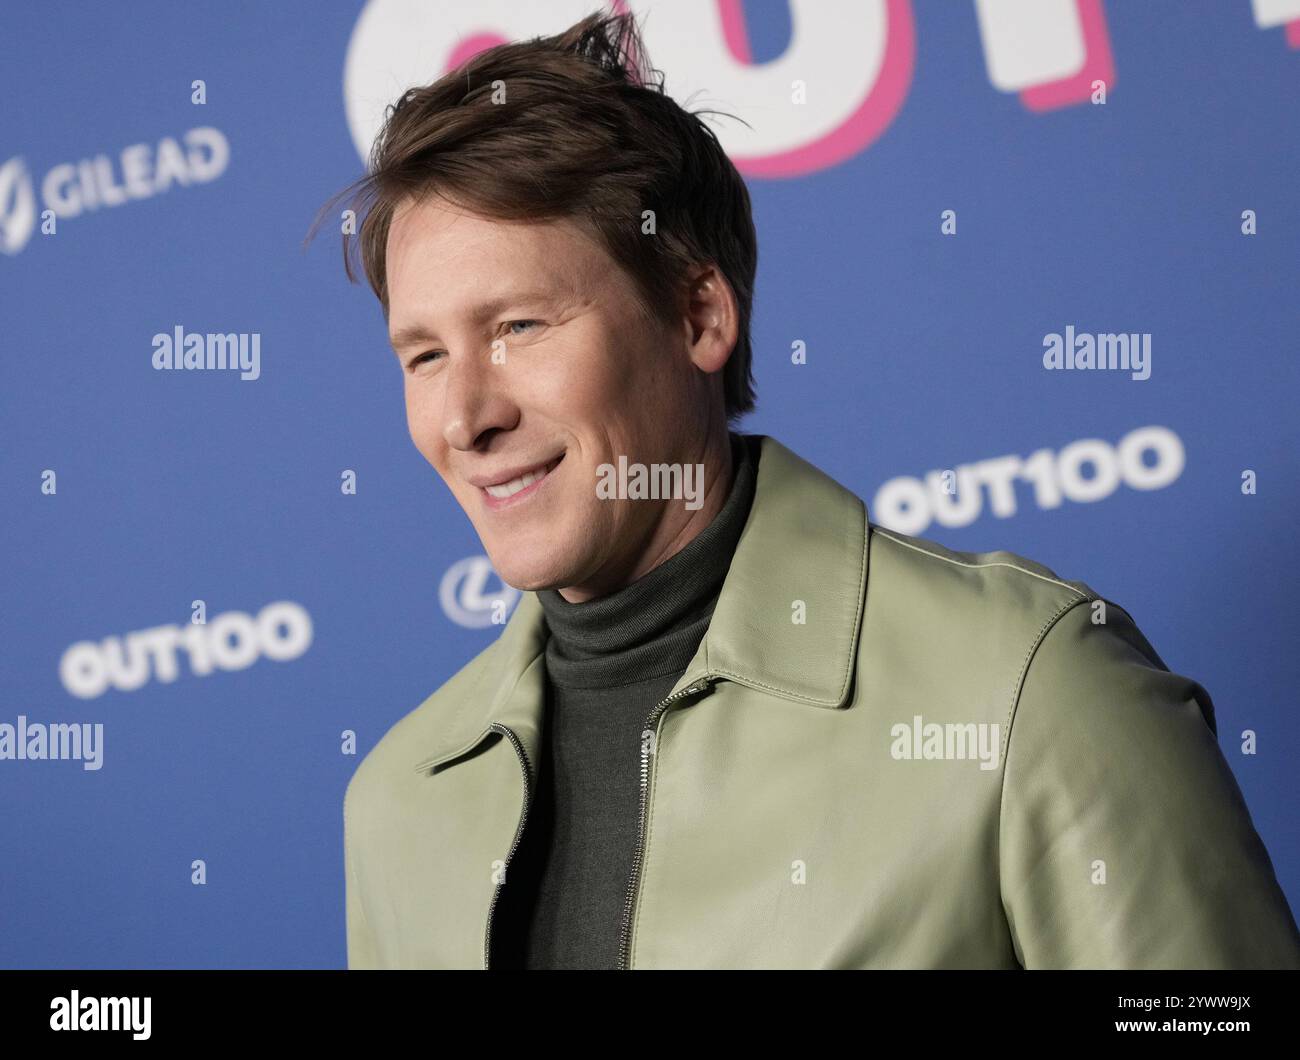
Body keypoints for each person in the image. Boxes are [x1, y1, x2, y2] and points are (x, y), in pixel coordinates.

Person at [320, 9, 1300, 969]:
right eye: (423, 355)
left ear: (700, 314)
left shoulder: (1027, 686)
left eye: (519, 328)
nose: (464, 416)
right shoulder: (400, 801)